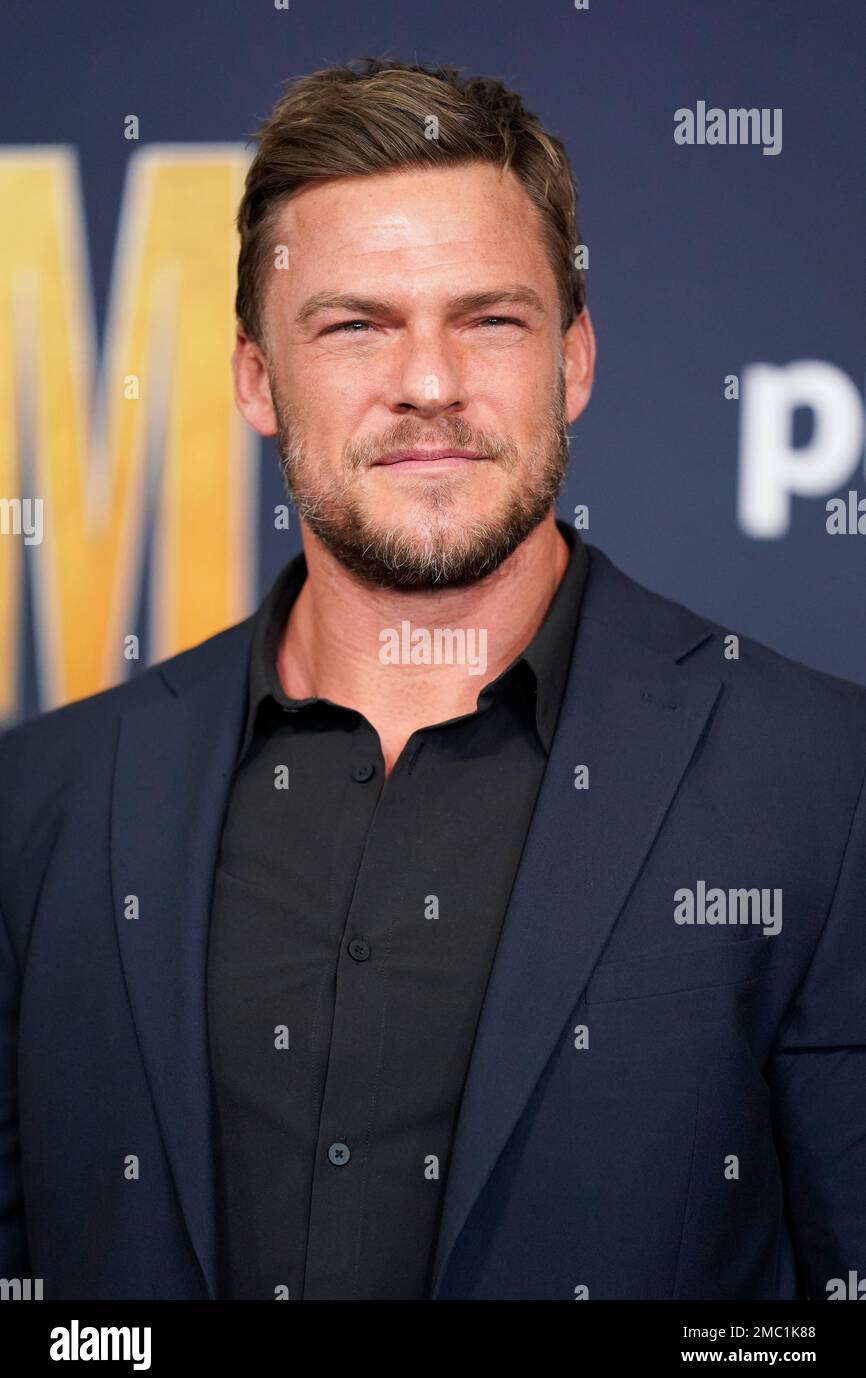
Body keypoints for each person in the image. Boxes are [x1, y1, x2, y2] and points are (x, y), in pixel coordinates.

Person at [1, 57, 864, 1301]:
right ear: (255, 377)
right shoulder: (46, 801)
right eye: (355, 324)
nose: (428, 382)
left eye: (488, 319)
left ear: (571, 362)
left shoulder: (818, 784)